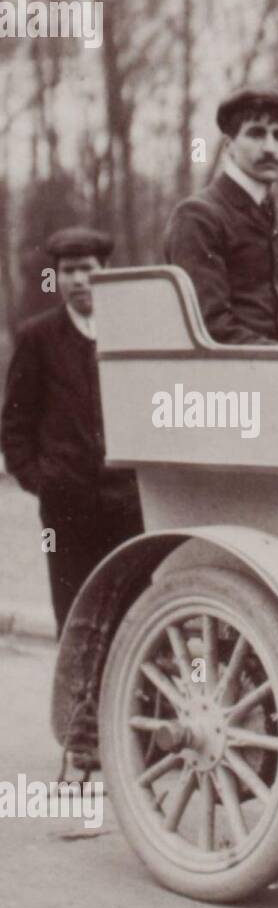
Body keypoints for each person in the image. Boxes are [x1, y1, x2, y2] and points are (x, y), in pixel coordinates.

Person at [1, 227, 143, 634]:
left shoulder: (130, 334)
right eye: (68, 271)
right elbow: (14, 422)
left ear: (105, 271)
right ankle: (77, 698)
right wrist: (43, 482)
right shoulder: (38, 337)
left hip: (126, 505)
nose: (78, 280)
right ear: (56, 277)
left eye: (87, 269)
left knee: (129, 614)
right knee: (74, 617)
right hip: (65, 507)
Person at [164, 86, 278, 345]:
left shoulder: (268, 213)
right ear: (229, 145)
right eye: (256, 134)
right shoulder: (198, 216)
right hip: (228, 376)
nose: (270, 148)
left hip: (269, 366)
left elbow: (275, 325)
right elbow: (212, 327)